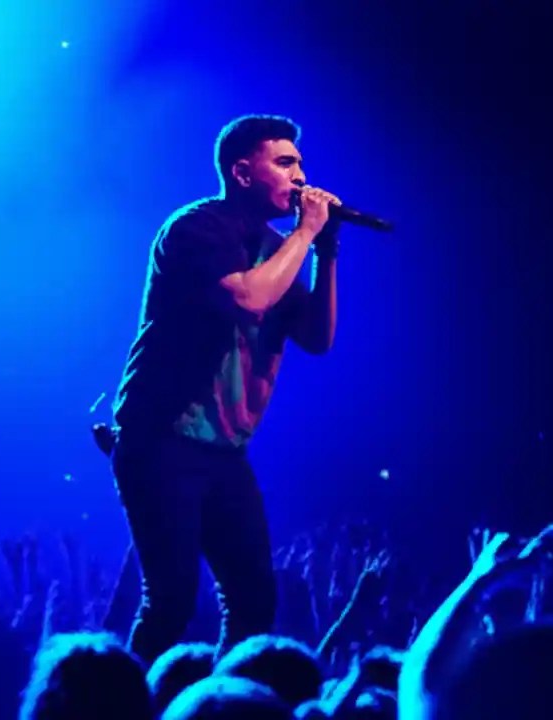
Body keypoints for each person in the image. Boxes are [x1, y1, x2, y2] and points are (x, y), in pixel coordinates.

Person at [108, 114, 341, 663]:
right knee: (170, 602)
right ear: (242, 172)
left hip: (225, 450)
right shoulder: (196, 228)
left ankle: (224, 707)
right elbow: (248, 300)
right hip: (162, 437)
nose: (300, 176)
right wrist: (305, 235)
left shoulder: (279, 248)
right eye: (285, 163)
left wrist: (326, 251)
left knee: (255, 599)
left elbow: (316, 337)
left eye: (301, 163)